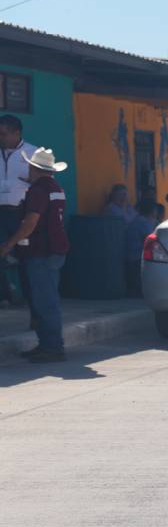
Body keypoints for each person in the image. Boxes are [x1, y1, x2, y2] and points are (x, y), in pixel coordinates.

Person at [0, 148, 70, 363]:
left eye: (29, 166)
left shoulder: (38, 191)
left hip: (41, 252)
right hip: (55, 250)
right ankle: (47, 344)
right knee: (46, 299)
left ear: (34, 168)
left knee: (44, 301)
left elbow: (30, 222)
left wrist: (8, 245)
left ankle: (52, 347)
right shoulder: (55, 187)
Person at [0, 114, 37, 308]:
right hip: (0, 212)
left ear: (17, 133)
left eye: (4, 134)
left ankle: (33, 307)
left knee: (26, 261)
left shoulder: (32, 153)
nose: (1, 137)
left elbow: (44, 183)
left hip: (21, 215)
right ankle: (5, 295)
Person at [125, 200, 160, 297]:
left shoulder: (139, 220)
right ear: (153, 211)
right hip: (136, 258)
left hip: (132, 256)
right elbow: (151, 240)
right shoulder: (143, 222)